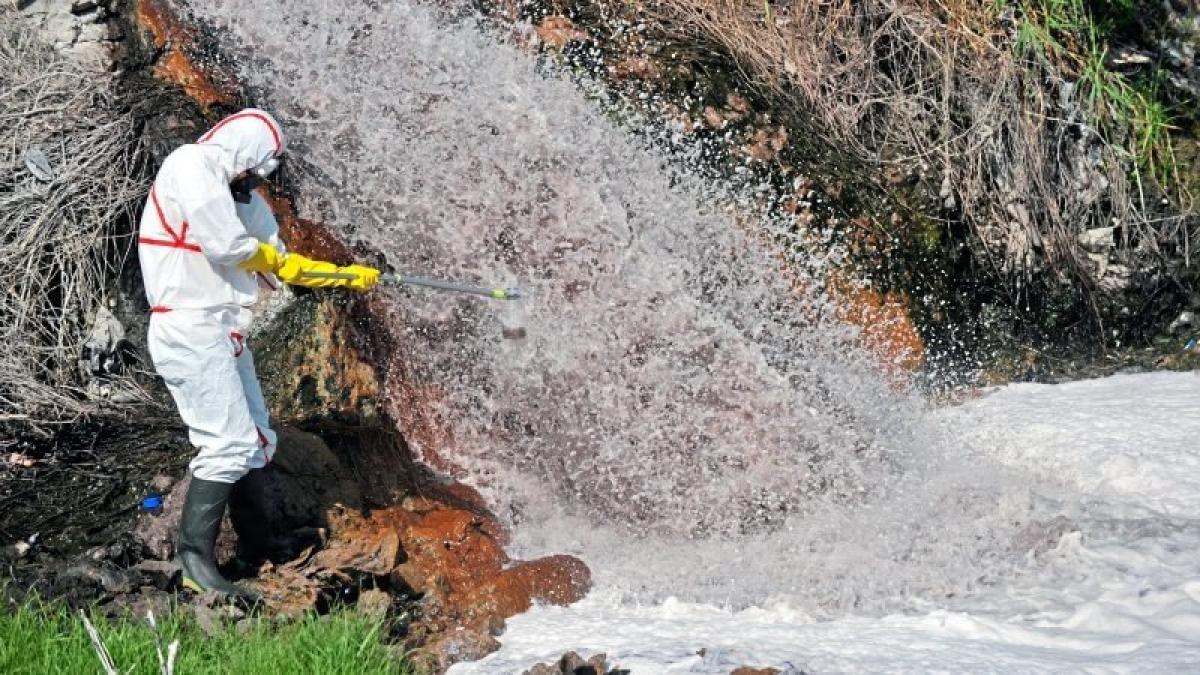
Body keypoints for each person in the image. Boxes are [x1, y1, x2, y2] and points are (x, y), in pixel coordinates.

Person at [138, 108, 380, 601]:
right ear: (242, 151)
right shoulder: (192, 164)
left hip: (224, 333)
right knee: (225, 444)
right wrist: (271, 258)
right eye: (255, 167)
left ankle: (260, 543)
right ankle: (194, 562)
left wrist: (340, 275)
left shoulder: (241, 197)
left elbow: (280, 265)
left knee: (255, 441)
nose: (255, 179)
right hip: (188, 327)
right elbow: (227, 247)